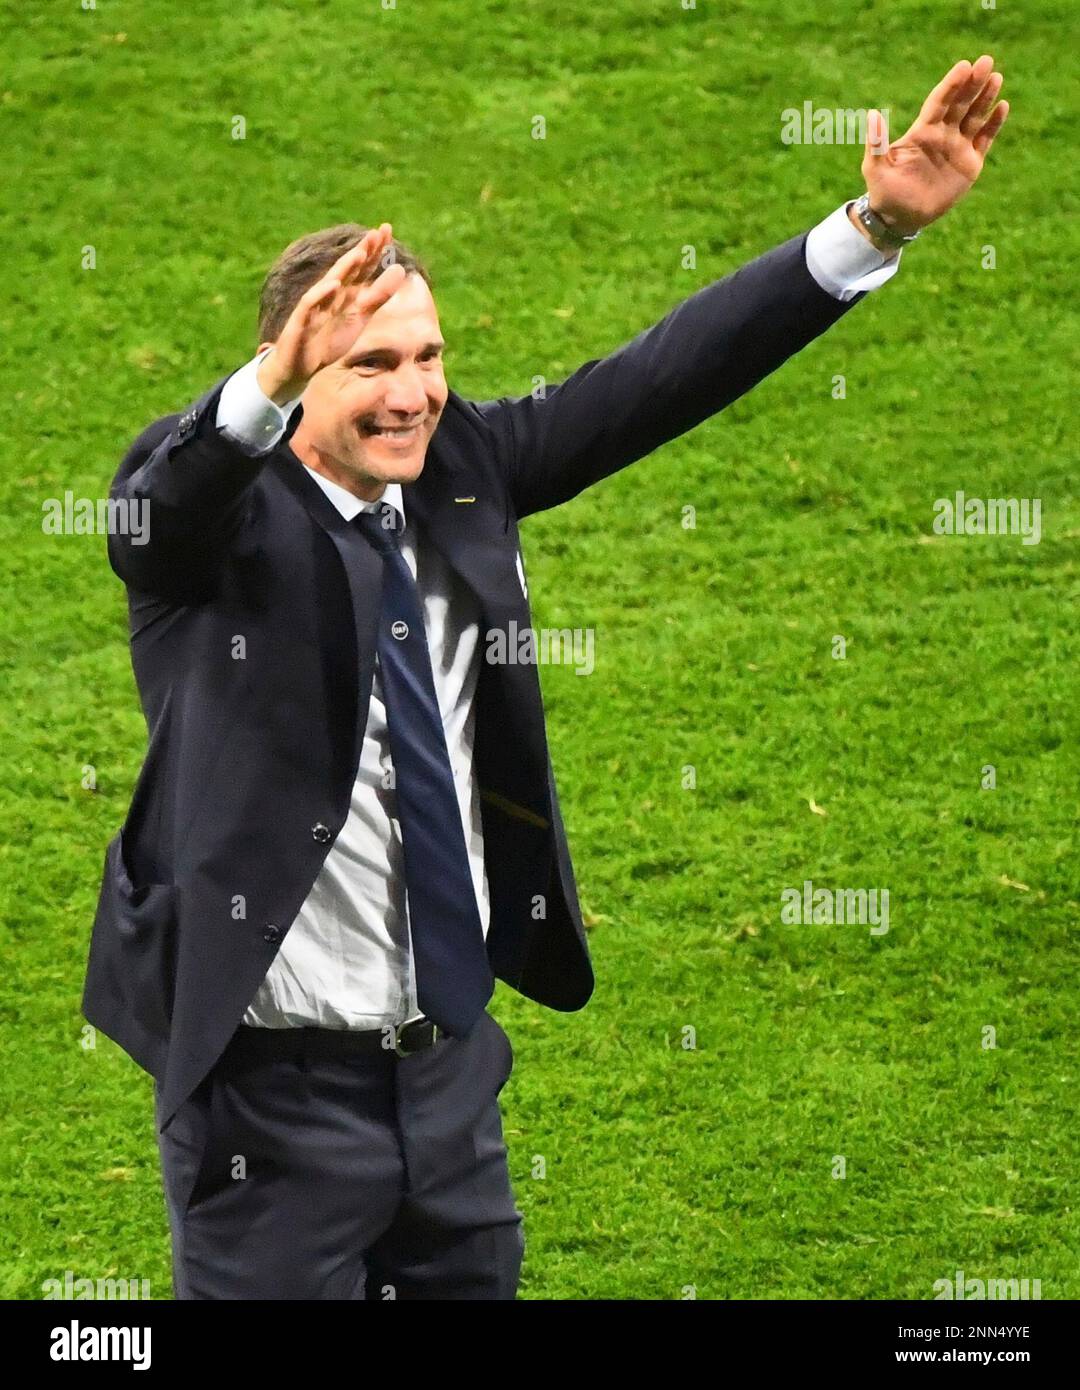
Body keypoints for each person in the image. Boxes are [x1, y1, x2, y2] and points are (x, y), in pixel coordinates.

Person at [82, 58, 1008, 1299]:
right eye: (368, 365)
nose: (411, 393)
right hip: (270, 1102)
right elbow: (148, 516)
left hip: (449, 1080)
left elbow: (662, 375)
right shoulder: (216, 522)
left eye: (428, 355)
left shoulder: (467, 464)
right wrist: (259, 391)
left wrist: (871, 229)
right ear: (295, 374)